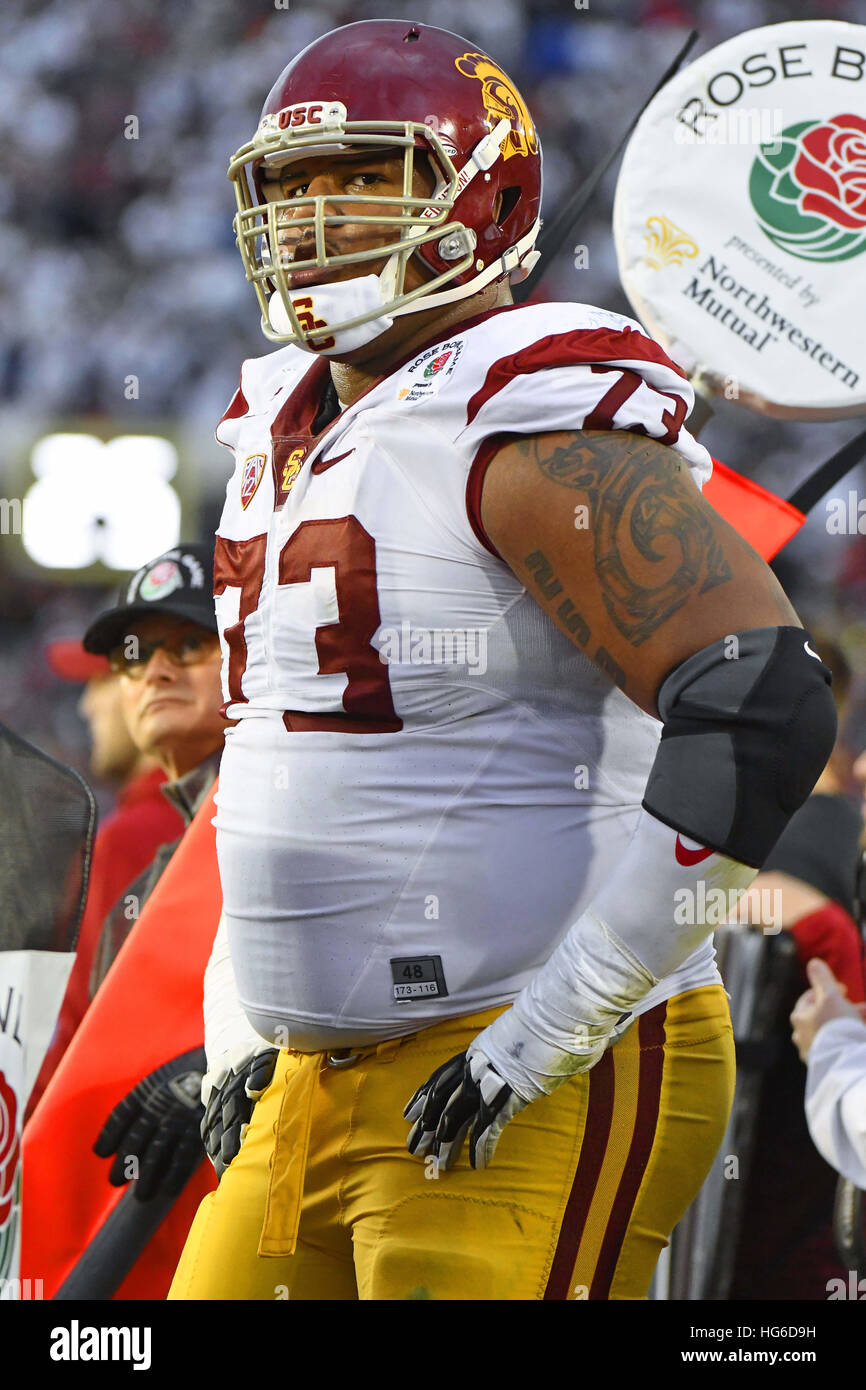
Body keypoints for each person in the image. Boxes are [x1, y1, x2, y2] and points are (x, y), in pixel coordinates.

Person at [169, 20, 836, 1301]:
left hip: (536, 1056)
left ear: (481, 194)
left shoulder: (515, 402)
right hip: (308, 1076)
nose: (314, 217)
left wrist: (554, 1027)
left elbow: (757, 701)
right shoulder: (275, 420)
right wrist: (237, 1025)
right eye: (290, 186)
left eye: (364, 178)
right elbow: (284, 751)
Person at [27, 640, 184, 1117]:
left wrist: (26, 1129)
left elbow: (86, 1023)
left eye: (99, 682)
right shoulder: (215, 807)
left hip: (110, 1137)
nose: (85, 704)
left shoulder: (131, 836)